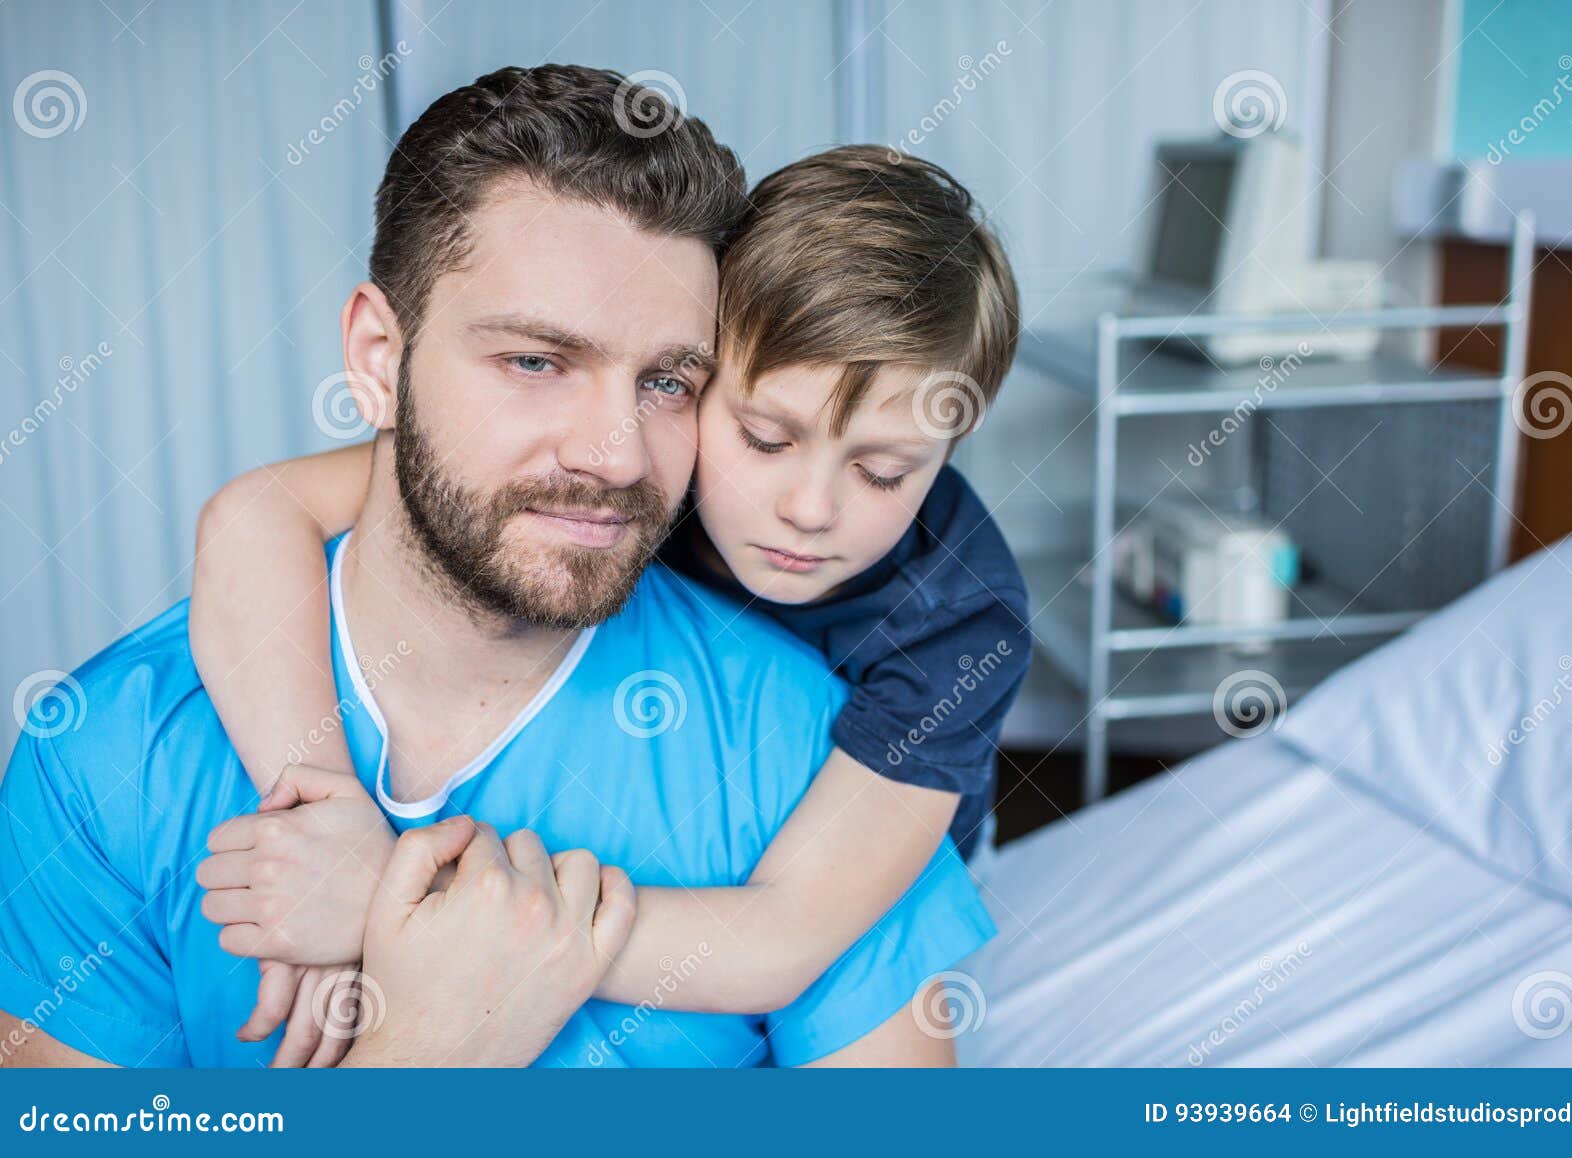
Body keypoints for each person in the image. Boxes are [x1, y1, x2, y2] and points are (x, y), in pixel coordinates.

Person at [0, 64, 991, 1069]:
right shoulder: (104, 760)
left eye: (665, 381)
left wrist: (418, 909)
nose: (614, 454)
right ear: (379, 360)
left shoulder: (814, 743)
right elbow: (256, 510)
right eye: (535, 362)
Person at [187, 143, 1030, 1040]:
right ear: (695, 377)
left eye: (883, 471)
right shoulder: (630, 459)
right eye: (765, 439)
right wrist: (327, 812)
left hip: (869, 855)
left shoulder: (962, 627)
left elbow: (781, 940)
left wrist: (393, 903)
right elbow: (255, 511)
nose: (810, 509)